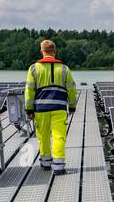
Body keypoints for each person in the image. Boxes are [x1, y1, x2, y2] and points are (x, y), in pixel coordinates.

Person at [24, 39, 77, 172]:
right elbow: (71, 89)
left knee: (43, 136)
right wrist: (72, 106)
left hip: (41, 109)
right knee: (59, 136)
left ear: (41, 52)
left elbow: (29, 90)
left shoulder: (33, 68)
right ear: (55, 52)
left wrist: (29, 109)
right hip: (59, 108)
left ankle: (46, 163)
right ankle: (59, 166)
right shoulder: (65, 68)